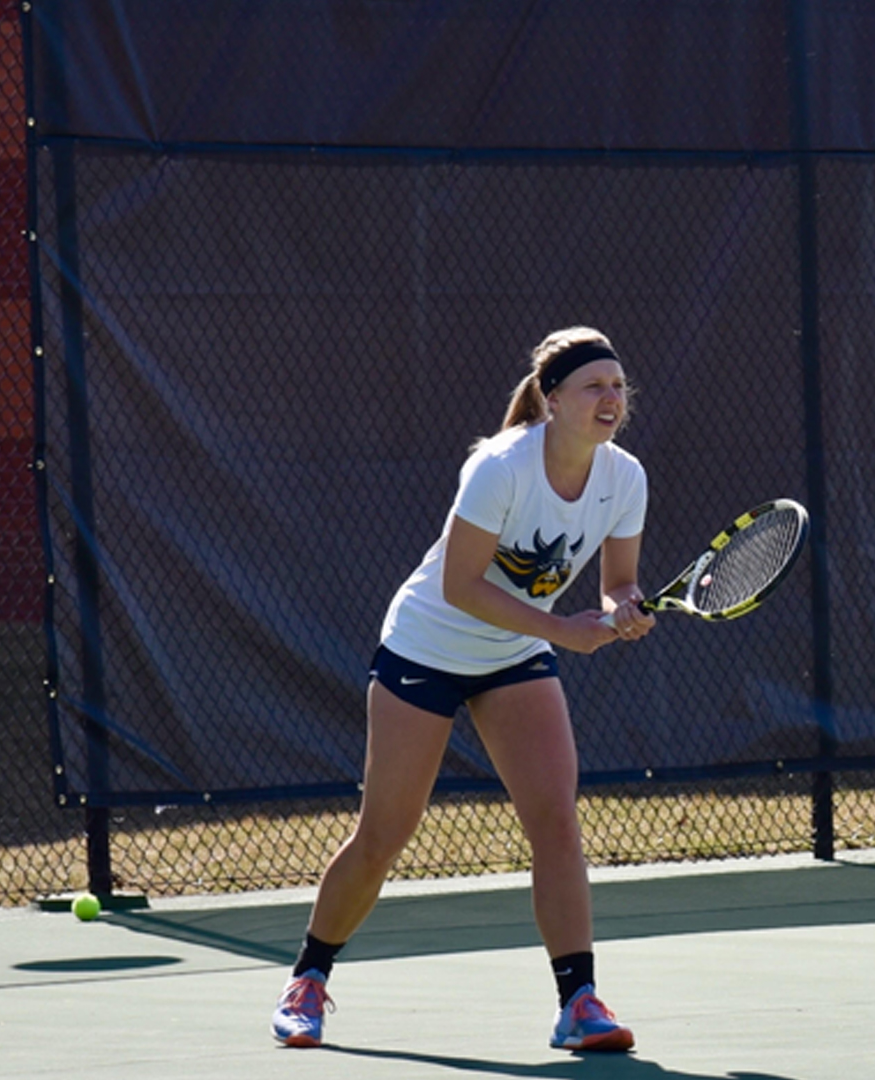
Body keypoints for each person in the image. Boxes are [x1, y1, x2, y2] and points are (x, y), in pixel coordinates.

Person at [270, 326, 656, 1053]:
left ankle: (579, 1004)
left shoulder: (625, 477)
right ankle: (308, 980)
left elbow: (619, 583)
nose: (611, 399)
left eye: (617, 386)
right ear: (552, 399)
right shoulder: (499, 467)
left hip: (515, 652)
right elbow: (460, 585)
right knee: (385, 833)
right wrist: (562, 629)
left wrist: (622, 611)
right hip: (427, 646)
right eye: (593, 387)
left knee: (556, 820)